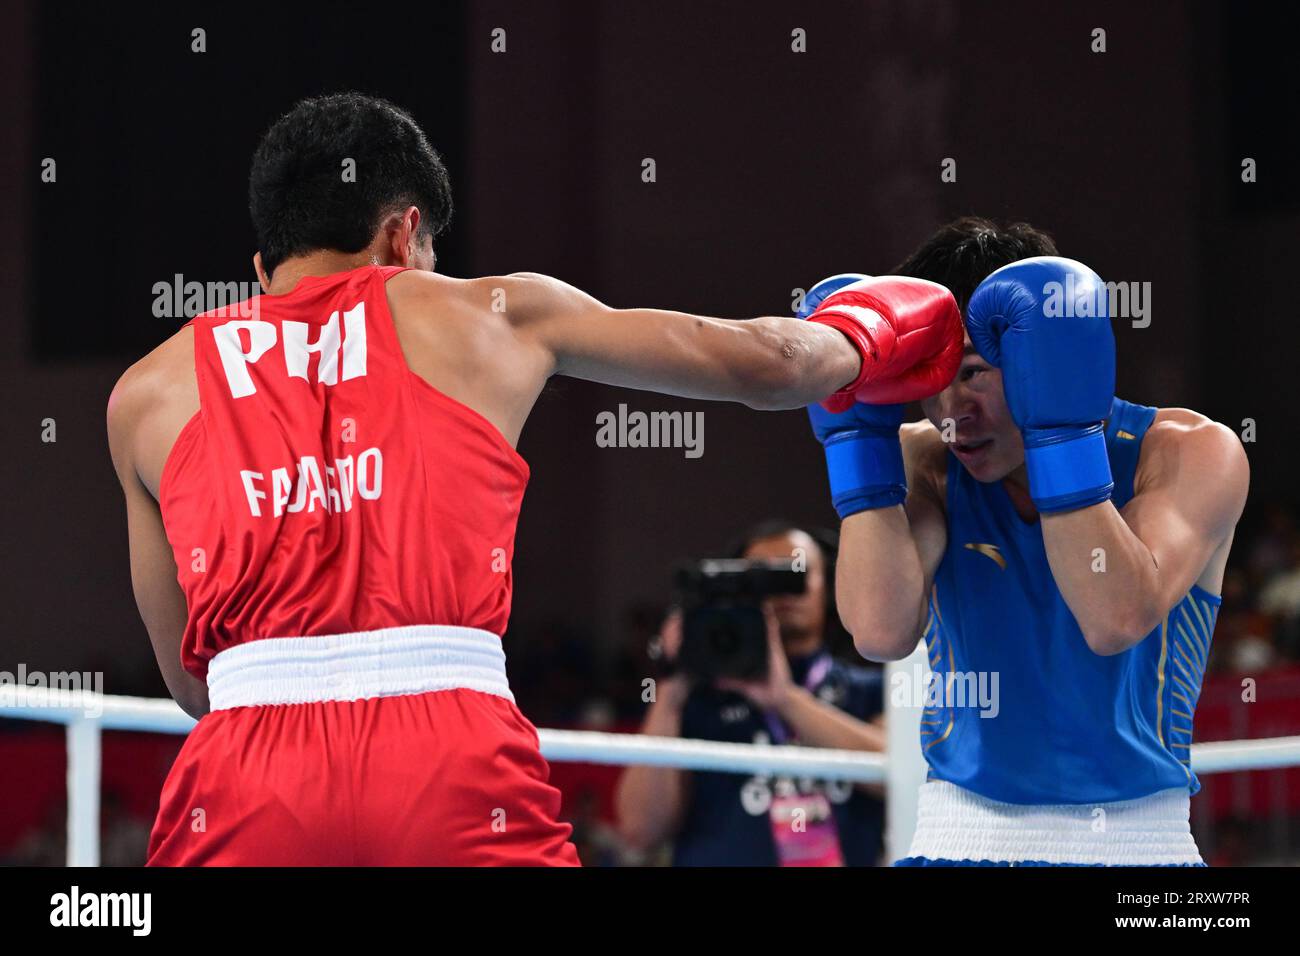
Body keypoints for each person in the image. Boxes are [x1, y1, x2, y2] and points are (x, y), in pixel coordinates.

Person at [104, 92, 964, 865]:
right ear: (407, 234)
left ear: (261, 268)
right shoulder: (493, 314)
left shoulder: (144, 394)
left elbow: (192, 682)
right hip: (446, 752)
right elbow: (768, 363)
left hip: (244, 777)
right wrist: (883, 324)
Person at [804, 218, 1250, 866]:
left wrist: (1058, 440)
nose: (953, 411)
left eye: (977, 373)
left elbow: (1114, 617)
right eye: (931, 378)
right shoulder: (921, 461)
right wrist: (860, 448)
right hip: (954, 838)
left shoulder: (1186, 454)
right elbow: (879, 631)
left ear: (1043, 356)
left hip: (1136, 848)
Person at [616, 522, 887, 866]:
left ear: (829, 586)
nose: (781, 590)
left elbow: (904, 775)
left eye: (795, 571)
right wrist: (669, 690)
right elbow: (640, 829)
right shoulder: (696, 700)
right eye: (760, 576)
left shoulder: (870, 690)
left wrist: (785, 699)